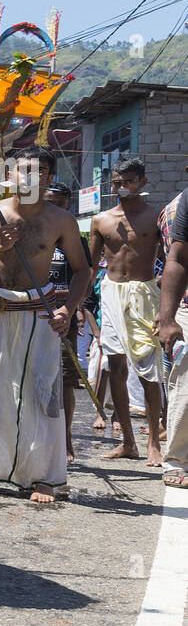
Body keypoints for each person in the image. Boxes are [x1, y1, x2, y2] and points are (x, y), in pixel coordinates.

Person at [0, 146, 89, 502]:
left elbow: (83, 270)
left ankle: (45, 477)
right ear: (10, 175)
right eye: (22, 170)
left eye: (38, 172)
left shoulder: (60, 220)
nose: (29, 177)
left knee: (41, 396)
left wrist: (67, 309)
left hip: (39, 315)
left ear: (48, 178)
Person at [90, 157, 165, 465]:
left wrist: (164, 298)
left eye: (128, 180)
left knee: (149, 371)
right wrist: (78, 307)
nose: (121, 186)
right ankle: (128, 442)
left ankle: (153, 442)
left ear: (142, 183)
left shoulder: (155, 217)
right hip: (110, 294)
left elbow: (174, 258)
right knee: (116, 370)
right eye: (117, 180)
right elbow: (90, 266)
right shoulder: (101, 220)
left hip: (145, 294)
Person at [43, 182, 91, 463]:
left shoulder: (75, 239)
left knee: (64, 381)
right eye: (48, 201)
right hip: (31, 313)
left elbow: (82, 277)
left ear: (67, 206)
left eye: (58, 203)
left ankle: (66, 438)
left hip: (63, 318)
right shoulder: (34, 229)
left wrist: (72, 306)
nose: (53, 208)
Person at [156, 171, 188, 486]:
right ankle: (177, 460)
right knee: (186, 381)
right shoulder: (182, 204)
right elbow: (176, 259)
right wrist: (167, 318)